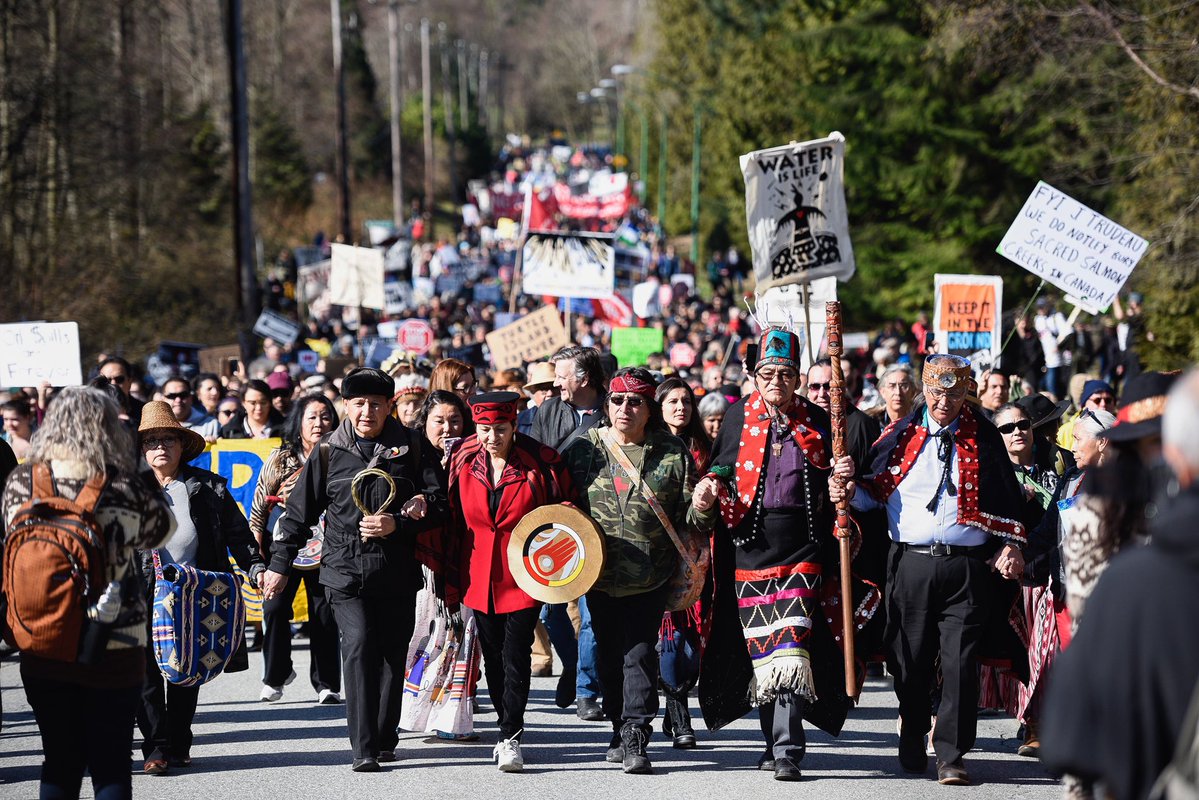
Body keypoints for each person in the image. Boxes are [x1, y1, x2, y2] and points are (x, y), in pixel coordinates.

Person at [837, 353, 1028, 786]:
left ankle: (951, 755)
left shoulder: (984, 437)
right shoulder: (899, 435)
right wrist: (846, 487)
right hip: (911, 565)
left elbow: (1007, 502)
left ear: (967, 395)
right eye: (937, 393)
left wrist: (1012, 544)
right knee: (910, 659)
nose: (945, 402)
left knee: (960, 662)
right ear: (925, 390)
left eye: (955, 395)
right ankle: (912, 729)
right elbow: (872, 495)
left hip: (967, 569)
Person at [262, 368, 446, 772]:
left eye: (375, 404)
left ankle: (383, 737)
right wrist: (279, 565)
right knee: (360, 644)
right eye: (359, 404)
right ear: (346, 405)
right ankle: (363, 748)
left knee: (392, 656)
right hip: (343, 569)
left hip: (396, 570)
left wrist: (401, 522)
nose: (367, 412)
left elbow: (440, 503)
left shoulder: (412, 445)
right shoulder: (328, 450)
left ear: (389, 406)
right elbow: (297, 515)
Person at [698, 328, 855, 781]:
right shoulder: (737, 417)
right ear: (754, 376)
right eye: (767, 374)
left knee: (792, 644)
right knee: (764, 647)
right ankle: (771, 741)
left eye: (785, 374)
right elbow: (722, 465)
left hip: (803, 545)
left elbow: (835, 479)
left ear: (798, 378)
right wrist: (710, 484)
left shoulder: (819, 420)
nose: (776, 382)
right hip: (750, 546)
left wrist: (841, 480)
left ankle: (787, 749)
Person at [2, 388, 173, 800]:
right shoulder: (122, 483)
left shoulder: (22, 480)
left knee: (59, 759)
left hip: (43, 635)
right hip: (116, 638)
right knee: (110, 761)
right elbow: (162, 530)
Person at [1041, 369, 1199, 800]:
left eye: (1164, 442)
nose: (1159, 458)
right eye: (1147, 446)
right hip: (1129, 673)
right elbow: (1088, 618)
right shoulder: (1098, 510)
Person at [563, 367, 715, 774]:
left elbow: (692, 520)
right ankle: (618, 725)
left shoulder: (672, 453)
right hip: (597, 575)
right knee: (609, 657)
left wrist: (703, 506)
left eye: (635, 402)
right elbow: (560, 508)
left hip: (651, 575)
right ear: (607, 405)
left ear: (649, 409)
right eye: (617, 400)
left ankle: (635, 735)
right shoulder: (583, 450)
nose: (624, 408)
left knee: (641, 655)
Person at [446, 392, 574, 772]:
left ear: (514, 425)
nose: (492, 437)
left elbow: (568, 508)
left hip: (526, 573)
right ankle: (506, 722)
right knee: (493, 656)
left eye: (500, 429)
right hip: (477, 574)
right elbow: (451, 516)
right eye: (484, 430)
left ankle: (509, 736)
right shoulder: (462, 460)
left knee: (516, 653)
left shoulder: (541, 462)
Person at [135, 401, 264, 775]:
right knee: (144, 676)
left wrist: (256, 567)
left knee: (185, 670)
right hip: (139, 596)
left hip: (192, 595)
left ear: (181, 446)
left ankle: (178, 744)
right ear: (142, 449)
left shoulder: (208, 487)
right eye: (152, 441)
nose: (161, 446)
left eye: (168, 439)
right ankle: (155, 747)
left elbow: (239, 536)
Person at [530, 345, 608, 721]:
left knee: (591, 613)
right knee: (550, 610)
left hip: (600, 522)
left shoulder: (614, 409)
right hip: (555, 523)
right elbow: (536, 461)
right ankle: (575, 665)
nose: (556, 384)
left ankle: (586, 690)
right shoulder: (548, 410)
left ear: (584, 379)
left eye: (561, 376)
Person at [249, 394, 342, 705]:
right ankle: (275, 676)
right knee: (274, 608)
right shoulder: (281, 458)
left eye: (325, 416)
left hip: (328, 546)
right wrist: (257, 555)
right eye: (311, 417)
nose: (319, 423)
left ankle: (326, 683)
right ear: (298, 422)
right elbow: (259, 509)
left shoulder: (340, 454)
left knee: (324, 613)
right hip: (283, 544)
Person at [653, 376, 711, 748]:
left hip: (701, 556)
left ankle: (675, 705)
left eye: (686, 401)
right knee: (671, 640)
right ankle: (680, 717)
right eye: (673, 401)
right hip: (662, 556)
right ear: (658, 408)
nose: (681, 407)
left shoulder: (707, 450)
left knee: (694, 648)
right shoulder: (649, 450)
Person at [808, 358, 880, 477]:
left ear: (842, 388)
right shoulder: (802, 421)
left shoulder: (862, 424)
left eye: (828, 387)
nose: (821, 394)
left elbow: (873, 475)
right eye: (815, 387)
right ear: (808, 391)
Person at [1055, 378, 1116, 452]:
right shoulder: (1065, 431)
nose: (1103, 404)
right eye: (1097, 400)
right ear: (1084, 405)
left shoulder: (1122, 429)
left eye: (1108, 400)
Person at [415, 389, 471, 467]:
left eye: (454, 421)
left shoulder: (474, 453)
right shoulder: (413, 453)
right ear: (424, 422)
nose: (447, 429)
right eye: (439, 421)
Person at [218, 379, 284, 439]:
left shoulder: (285, 428)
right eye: (253, 403)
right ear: (243, 403)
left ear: (269, 402)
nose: (258, 408)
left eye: (263, 403)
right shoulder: (229, 432)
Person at [161, 375, 219, 441]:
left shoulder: (211, 424)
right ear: (162, 399)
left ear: (191, 398)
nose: (178, 400)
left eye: (183, 395)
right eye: (172, 396)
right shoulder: (154, 426)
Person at [97, 356, 145, 426]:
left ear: (129, 381)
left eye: (119, 379)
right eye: (107, 381)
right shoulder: (92, 413)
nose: (113, 384)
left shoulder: (145, 413)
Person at [516, 361, 558, 436]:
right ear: (533, 392)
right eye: (544, 390)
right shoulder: (520, 421)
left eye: (554, 387)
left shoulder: (574, 415)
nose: (550, 393)